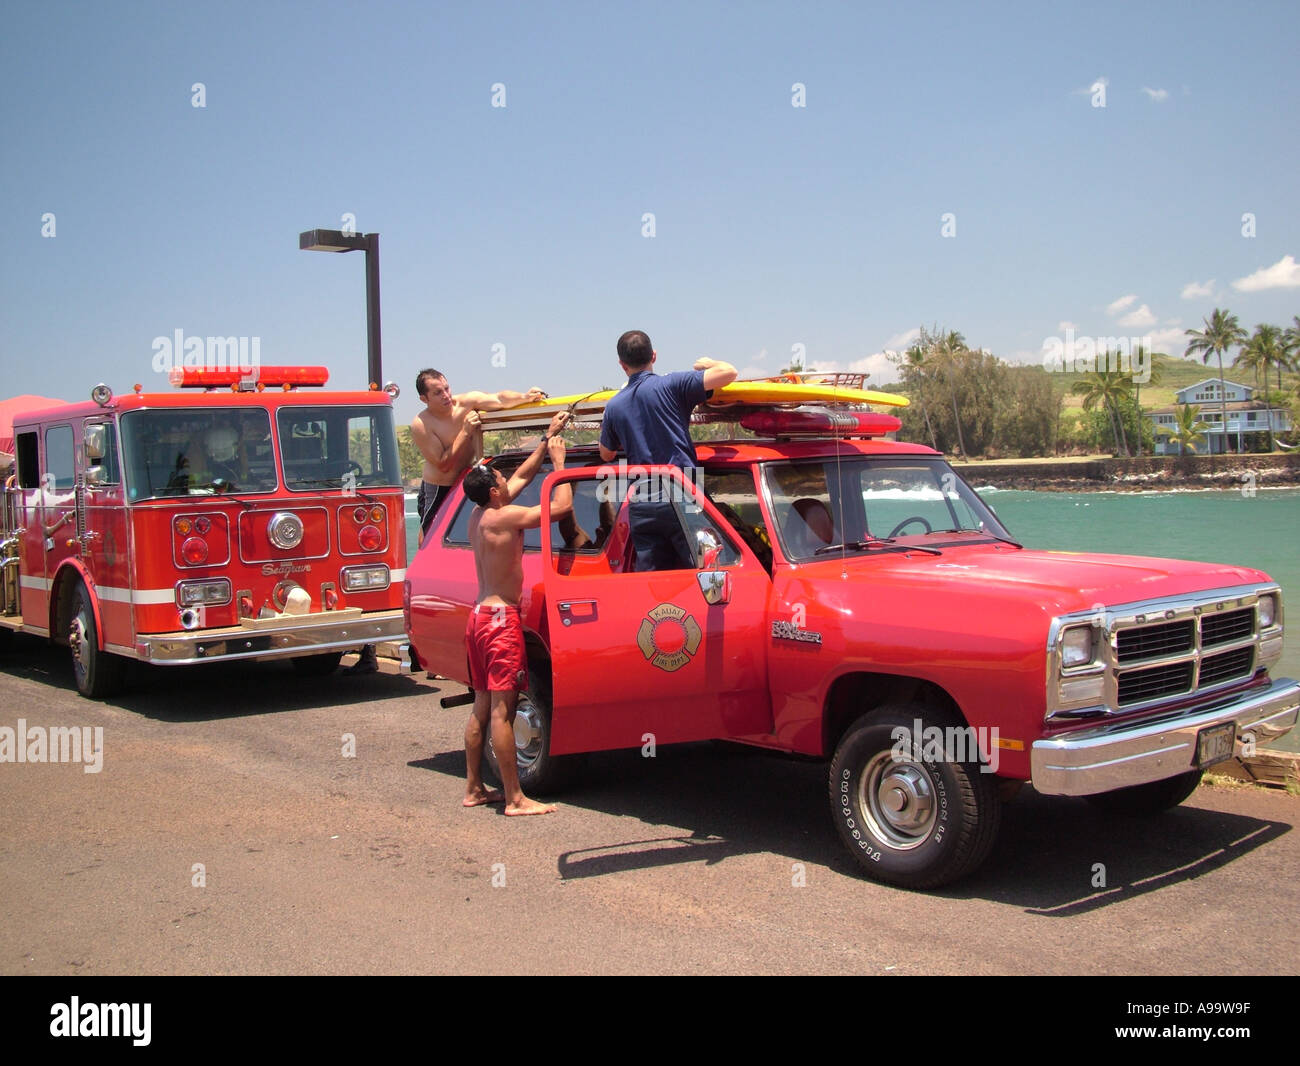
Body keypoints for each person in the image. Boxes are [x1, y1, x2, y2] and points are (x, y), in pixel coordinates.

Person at [461, 411, 572, 816]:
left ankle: (475, 788)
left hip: (478, 616)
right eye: (500, 479)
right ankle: (515, 798)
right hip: (500, 621)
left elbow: (522, 477)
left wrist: (546, 438)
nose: (507, 480)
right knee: (503, 710)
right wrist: (559, 464)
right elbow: (561, 507)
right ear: (494, 491)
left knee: (481, 704)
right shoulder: (506, 517)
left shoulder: (480, 515)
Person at [598, 330, 737, 571]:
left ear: (622, 365)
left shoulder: (614, 406)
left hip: (642, 500)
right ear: (654, 355)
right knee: (708, 571)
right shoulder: (673, 384)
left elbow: (606, 454)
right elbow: (729, 372)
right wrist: (708, 363)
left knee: (653, 580)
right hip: (682, 491)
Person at [410, 369, 547, 542]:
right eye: (438, 393)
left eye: (447, 388)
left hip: (466, 480)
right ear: (424, 399)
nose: (446, 395)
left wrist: (525, 397)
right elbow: (443, 465)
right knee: (430, 535)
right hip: (439, 486)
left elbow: (499, 399)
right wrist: (465, 432)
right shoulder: (422, 424)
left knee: (464, 532)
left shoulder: (467, 402)